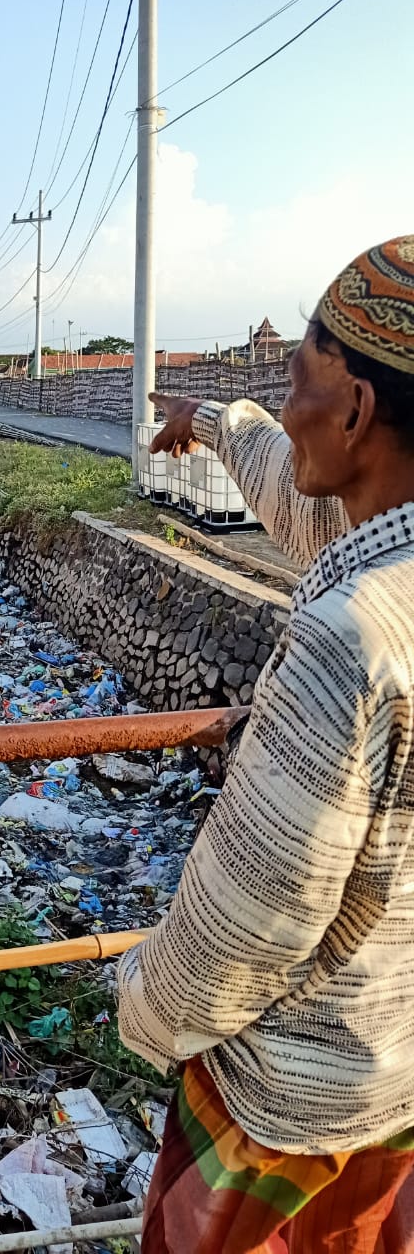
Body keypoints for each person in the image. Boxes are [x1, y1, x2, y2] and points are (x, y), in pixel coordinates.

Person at [118, 235, 414, 1254]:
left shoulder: (352, 640)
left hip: (297, 1129)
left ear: (358, 411)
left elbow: (250, 924)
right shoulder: (386, 560)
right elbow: (296, 488)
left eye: (297, 376)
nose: (285, 408)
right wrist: (205, 421)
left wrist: (144, 1005)